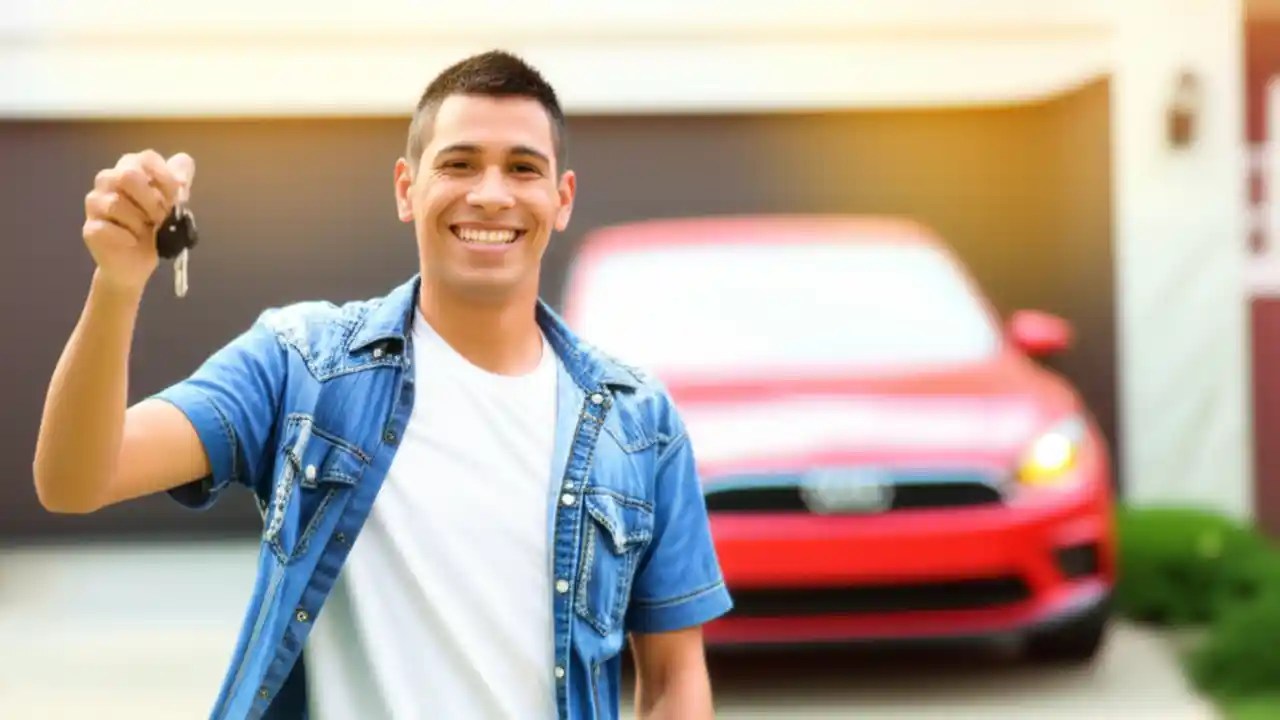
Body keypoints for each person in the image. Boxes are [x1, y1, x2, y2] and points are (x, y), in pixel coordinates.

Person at [32, 50, 732, 720]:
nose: (490, 195)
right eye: (459, 164)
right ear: (407, 188)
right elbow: (74, 480)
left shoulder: (639, 423)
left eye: (522, 168)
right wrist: (118, 284)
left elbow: (673, 677)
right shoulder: (301, 365)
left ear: (561, 198)